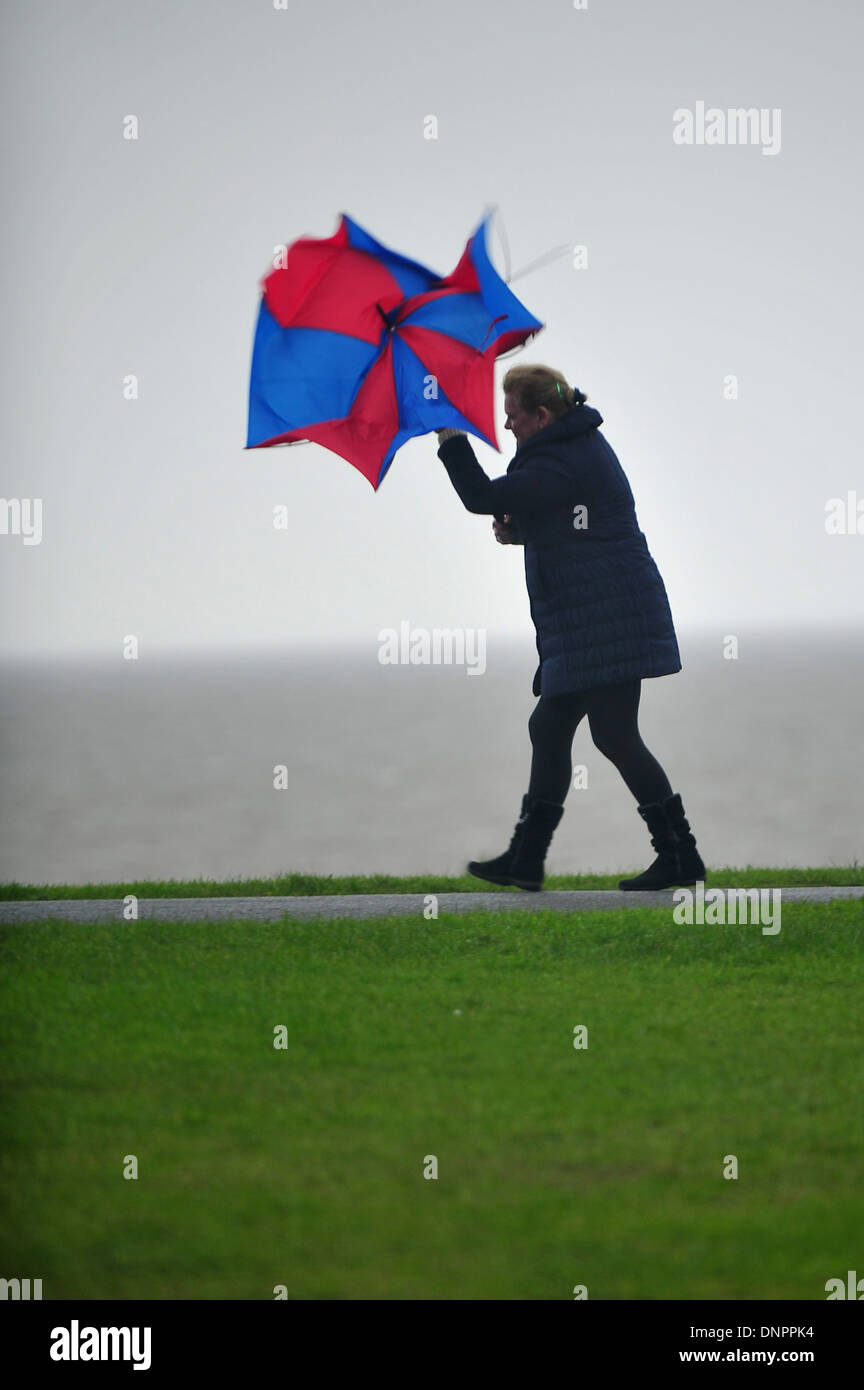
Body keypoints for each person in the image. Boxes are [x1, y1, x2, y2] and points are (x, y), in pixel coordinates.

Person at [436, 363, 706, 892]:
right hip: (594, 617)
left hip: (607, 617)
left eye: (512, 413)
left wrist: (449, 434)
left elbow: (480, 497)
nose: (506, 424)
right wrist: (524, 532)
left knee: (615, 734)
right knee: (552, 728)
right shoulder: (565, 448)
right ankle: (526, 858)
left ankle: (679, 856)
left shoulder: (561, 458)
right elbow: (574, 522)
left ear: (541, 414)